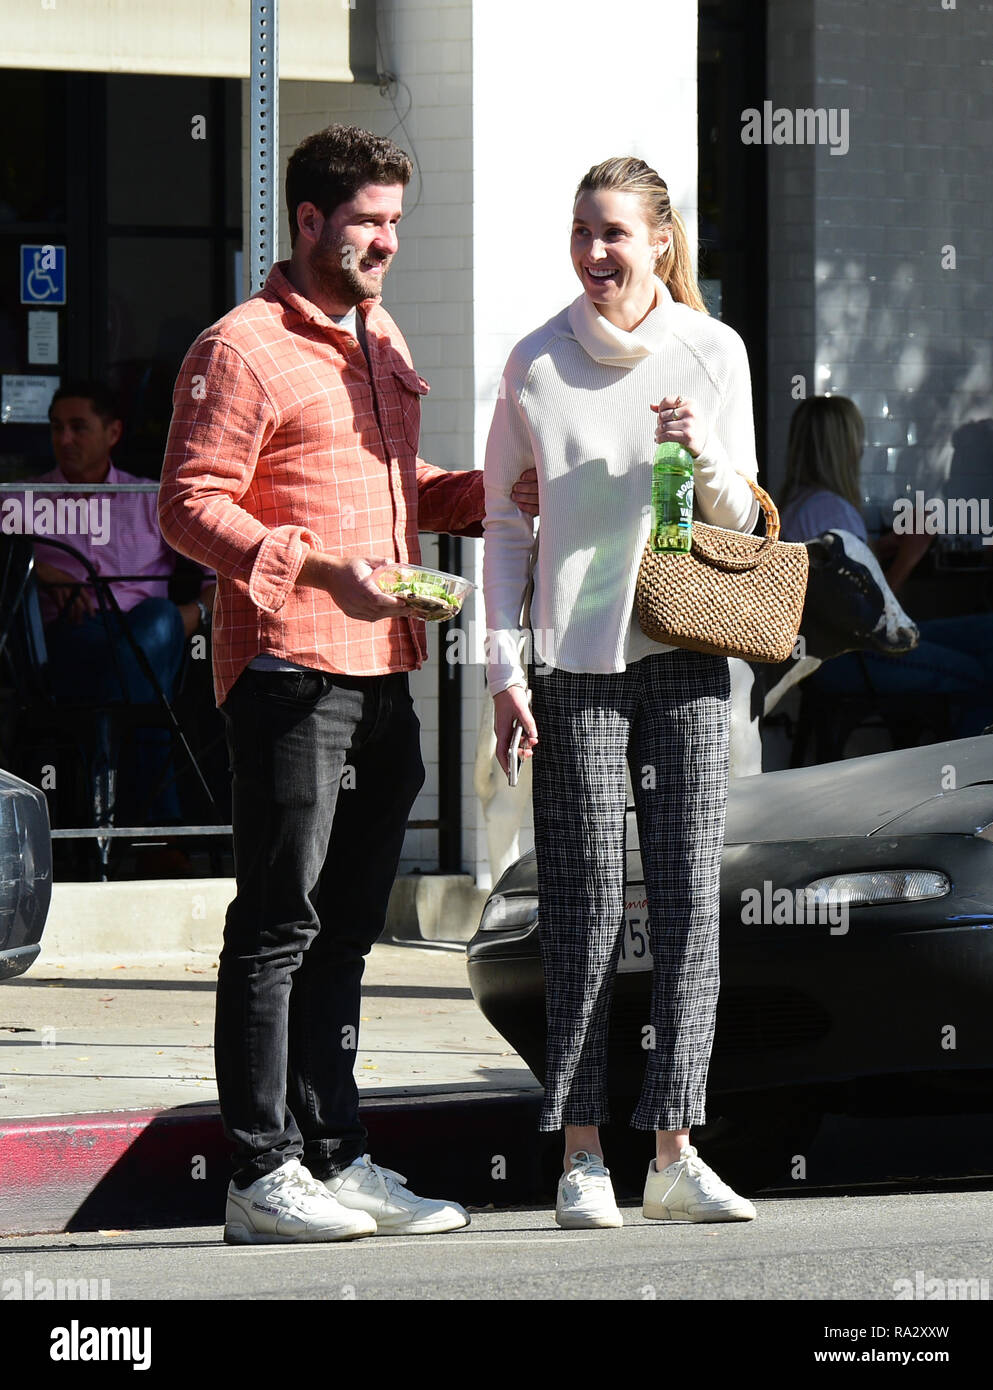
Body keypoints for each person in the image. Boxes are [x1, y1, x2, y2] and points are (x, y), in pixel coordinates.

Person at [159, 124, 538, 1244]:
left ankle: (338, 1155)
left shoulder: (377, 332)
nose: (387, 242)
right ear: (312, 221)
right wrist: (316, 566)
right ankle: (260, 1170)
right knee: (278, 923)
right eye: (370, 220)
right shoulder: (239, 347)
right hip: (287, 667)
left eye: (397, 224)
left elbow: (390, 485)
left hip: (386, 668)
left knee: (345, 933)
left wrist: (488, 495)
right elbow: (186, 504)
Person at [483, 155, 761, 1229]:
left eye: (615, 234)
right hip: (574, 666)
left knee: (692, 903)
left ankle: (675, 1151)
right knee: (584, 906)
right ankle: (582, 1155)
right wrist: (504, 665)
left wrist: (702, 456)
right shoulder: (535, 364)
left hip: (686, 653)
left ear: (660, 242)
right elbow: (507, 525)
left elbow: (738, 520)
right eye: (582, 231)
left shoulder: (713, 349)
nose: (595, 252)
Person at [27, 381, 216, 823]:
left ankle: (103, 821)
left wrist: (195, 614)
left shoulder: (151, 500)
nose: (64, 439)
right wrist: (35, 571)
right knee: (149, 687)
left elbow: (219, 577)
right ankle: (158, 831)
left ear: (113, 433)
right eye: (56, 428)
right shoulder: (23, 498)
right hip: (69, 648)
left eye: (78, 427)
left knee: (155, 624)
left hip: (151, 638)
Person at [778, 395, 993, 737]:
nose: (862, 448)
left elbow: (837, 586)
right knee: (983, 672)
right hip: (848, 660)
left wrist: (879, 549)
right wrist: (911, 553)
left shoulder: (803, 505)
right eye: (857, 439)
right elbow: (871, 620)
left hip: (823, 656)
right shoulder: (834, 511)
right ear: (844, 447)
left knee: (991, 630)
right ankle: (965, 770)